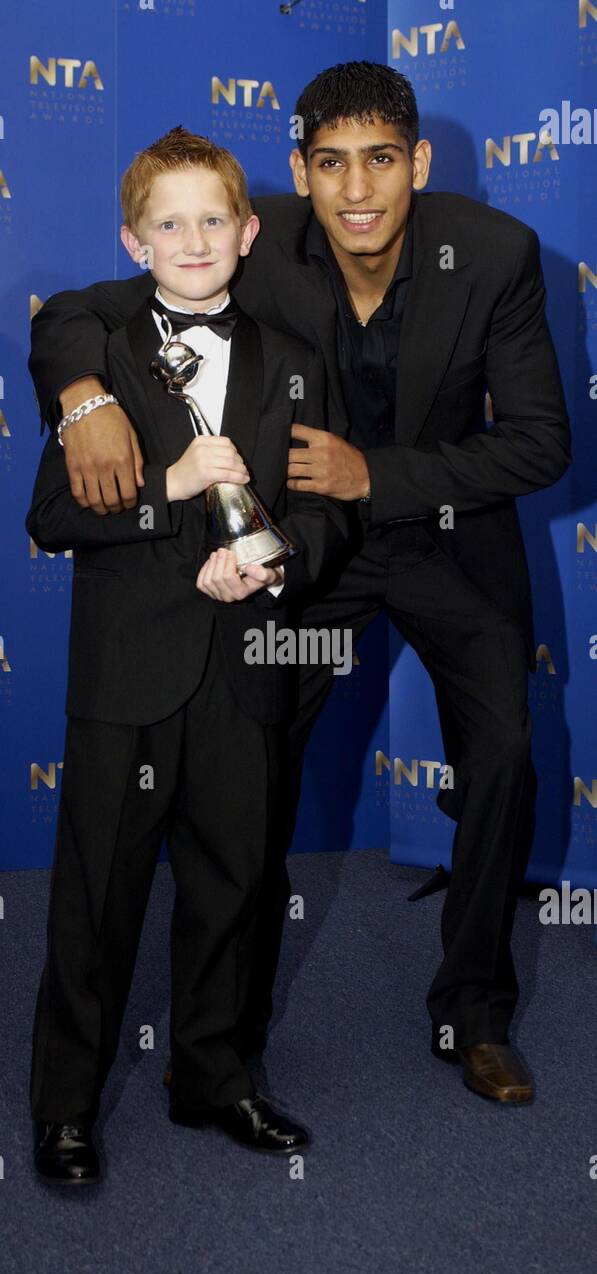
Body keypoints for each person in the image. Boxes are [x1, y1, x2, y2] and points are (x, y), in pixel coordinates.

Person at [29, 62, 572, 1108]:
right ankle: (223, 1036)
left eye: (380, 159)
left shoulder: (496, 255)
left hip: (447, 538)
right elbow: (87, 310)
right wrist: (83, 393)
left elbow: (542, 442)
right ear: (298, 171)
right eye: (330, 162)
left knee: (504, 747)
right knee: (252, 762)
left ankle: (474, 1011)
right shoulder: (248, 236)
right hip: (307, 549)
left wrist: (387, 476)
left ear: (418, 162)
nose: (356, 189)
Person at [27, 126, 348, 1185]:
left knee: (236, 884)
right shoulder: (102, 357)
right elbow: (52, 513)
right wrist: (165, 488)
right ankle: (66, 1105)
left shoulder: (296, 363)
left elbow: (323, 509)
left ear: (249, 232)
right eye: (169, 222)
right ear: (134, 239)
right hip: (128, 677)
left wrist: (273, 562)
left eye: (214, 218)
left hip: (247, 667)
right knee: (97, 899)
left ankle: (212, 1075)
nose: (194, 237)